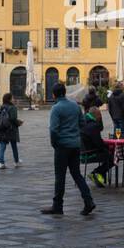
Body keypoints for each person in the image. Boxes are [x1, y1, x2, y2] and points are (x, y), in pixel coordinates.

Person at [41, 82, 96, 216]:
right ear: (65, 92)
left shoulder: (56, 108)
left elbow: (53, 130)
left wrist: (54, 143)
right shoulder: (75, 106)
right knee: (76, 174)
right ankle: (88, 201)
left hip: (62, 146)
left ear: (54, 95)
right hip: (75, 145)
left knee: (60, 176)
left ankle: (57, 205)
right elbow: (82, 123)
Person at [80, 106, 112, 187]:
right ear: (96, 115)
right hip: (91, 153)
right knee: (113, 157)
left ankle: (100, 177)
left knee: (106, 152)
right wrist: (108, 146)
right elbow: (99, 144)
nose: (100, 117)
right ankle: (96, 173)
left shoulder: (82, 122)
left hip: (81, 153)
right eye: (99, 115)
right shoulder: (93, 125)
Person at [0, 92, 22, 169]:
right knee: (14, 146)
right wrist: (19, 122)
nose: (14, 99)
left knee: (2, 146)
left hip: (2, 128)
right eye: (12, 98)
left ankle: (1, 163)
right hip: (11, 129)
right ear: (9, 99)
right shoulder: (13, 108)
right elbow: (13, 119)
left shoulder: (0, 107)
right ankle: (16, 162)